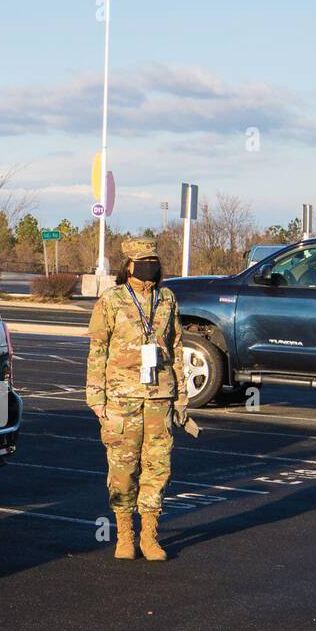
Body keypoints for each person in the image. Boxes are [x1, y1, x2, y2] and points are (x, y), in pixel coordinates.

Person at [86, 237, 190, 561]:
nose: (149, 267)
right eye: (143, 262)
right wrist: (96, 396)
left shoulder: (167, 299)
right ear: (128, 266)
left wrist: (181, 397)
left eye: (153, 261)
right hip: (122, 397)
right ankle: (124, 535)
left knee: (158, 467)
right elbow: (97, 349)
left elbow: (176, 348)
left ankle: (149, 536)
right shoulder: (111, 300)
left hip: (160, 396)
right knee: (123, 468)